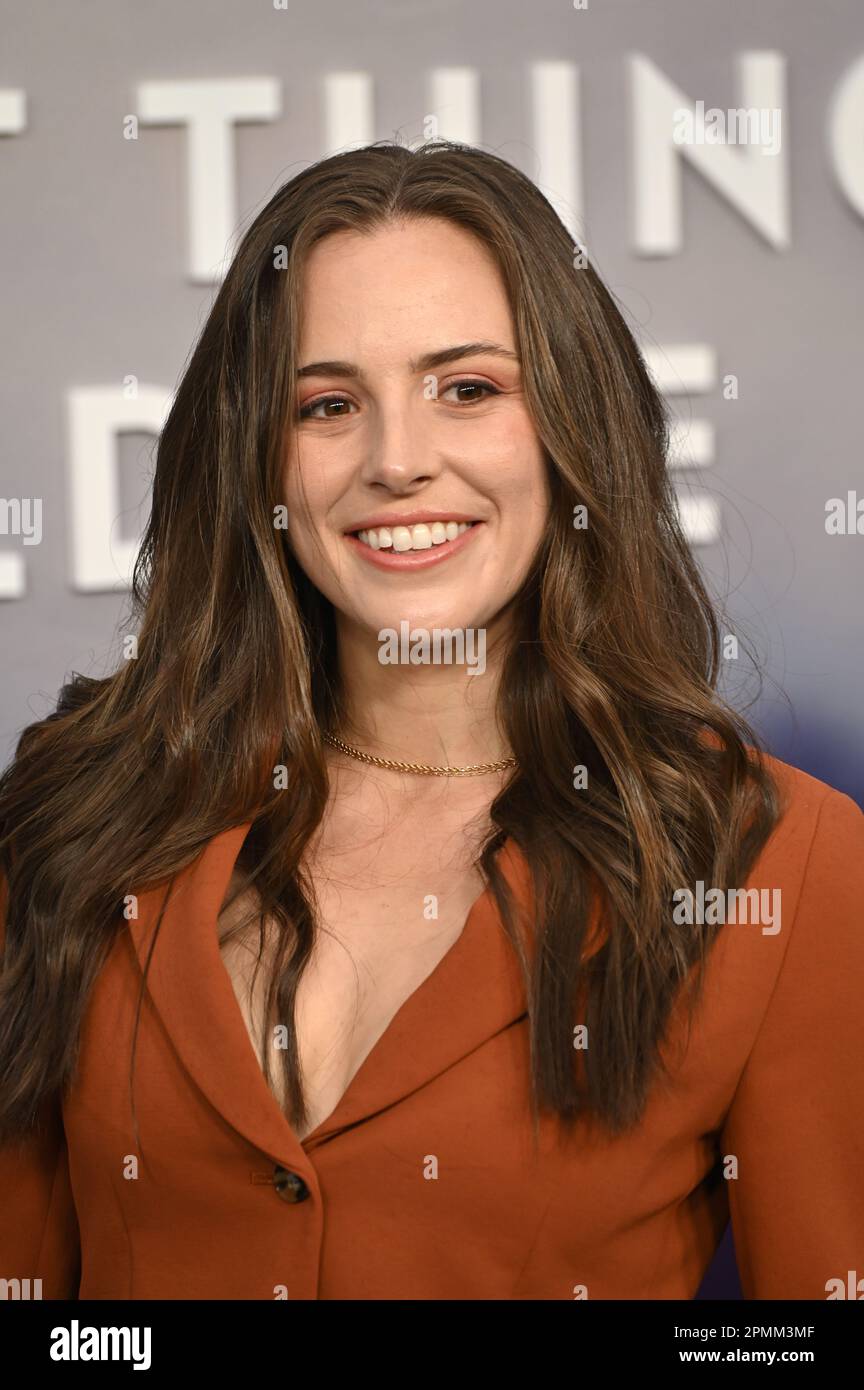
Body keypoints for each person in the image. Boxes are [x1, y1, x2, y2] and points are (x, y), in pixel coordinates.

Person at [1, 140, 862, 1301]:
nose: (397, 461)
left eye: (468, 388)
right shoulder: (80, 807)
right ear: (256, 452)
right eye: (328, 403)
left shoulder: (780, 859)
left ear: (568, 428)